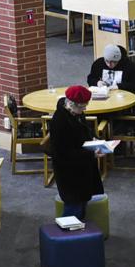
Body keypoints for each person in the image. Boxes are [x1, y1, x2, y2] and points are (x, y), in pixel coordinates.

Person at [47, 85, 106, 220]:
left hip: (81, 169)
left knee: (81, 204)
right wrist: (91, 154)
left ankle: (77, 234)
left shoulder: (75, 112)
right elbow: (63, 153)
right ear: (70, 104)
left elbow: (85, 130)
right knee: (73, 208)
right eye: (82, 106)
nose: (84, 109)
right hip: (70, 173)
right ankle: (66, 238)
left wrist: (95, 139)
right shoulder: (60, 121)